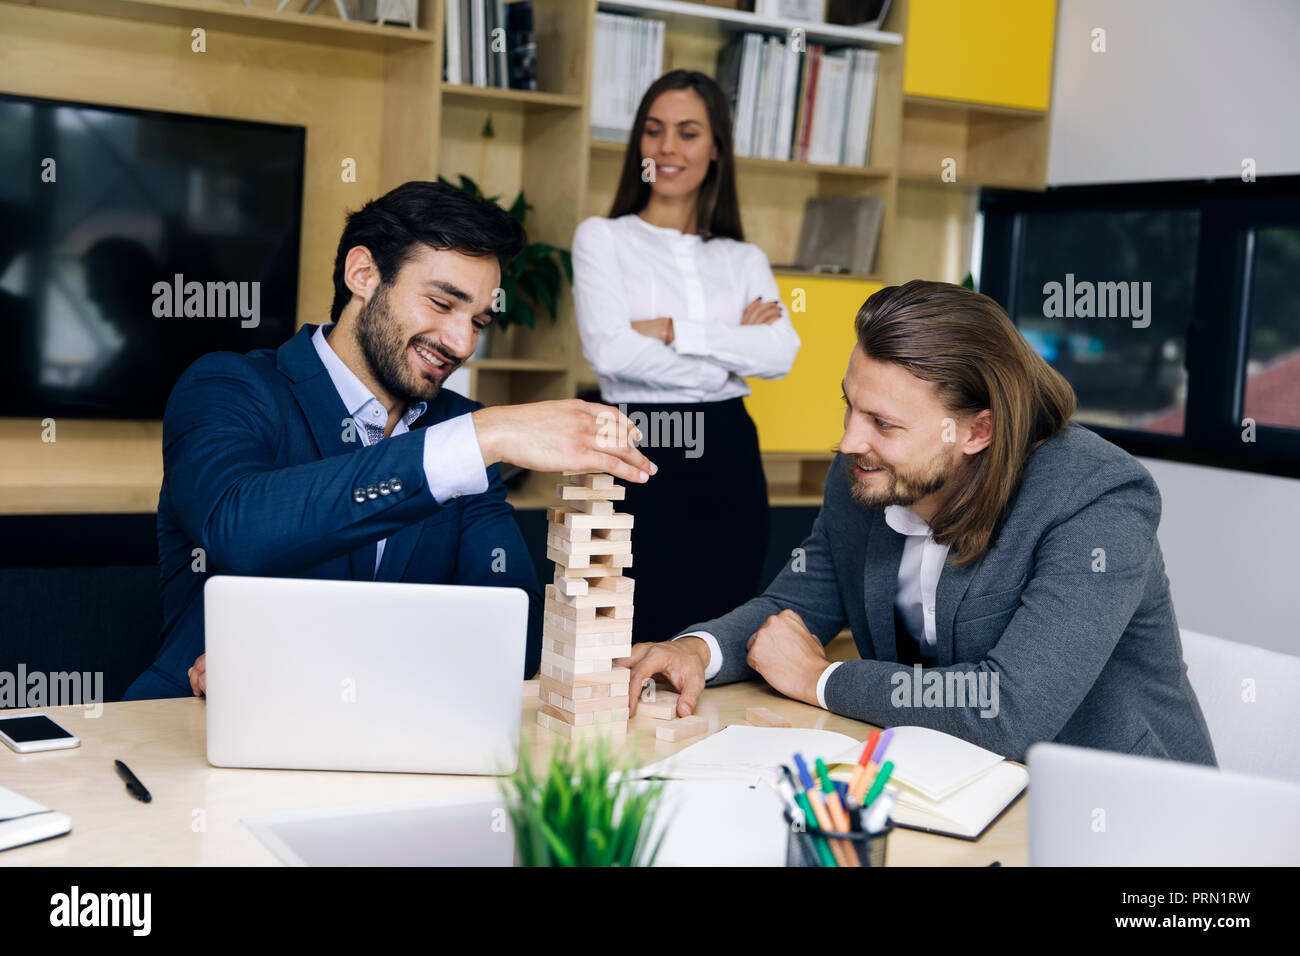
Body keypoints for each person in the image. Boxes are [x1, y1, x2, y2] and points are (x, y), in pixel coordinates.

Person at [621, 280, 1217, 766]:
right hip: (946, 780)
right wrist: (697, 650)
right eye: (849, 405)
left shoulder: (1096, 498)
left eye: (884, 423)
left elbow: (1008, 709)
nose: (850, 440)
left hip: (1121, 812)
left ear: (977, 431)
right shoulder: (866, 473)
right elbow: (795, 606)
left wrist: (823, 678)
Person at [124, 181, 655, 700]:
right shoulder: (229, 386)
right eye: (442, 304)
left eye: (479, 320)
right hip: (189, 725)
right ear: (363, 274)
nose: (461, 342)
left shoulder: (466, 431)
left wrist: (318, 668)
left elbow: (508, 631)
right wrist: (481, 435)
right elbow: (237, 528)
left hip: (387, 736)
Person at [571, 69, 800, 646]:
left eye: (688, 132)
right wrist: (728, 354)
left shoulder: (743, 256)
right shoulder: (603, 237)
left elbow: (780, 353)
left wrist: (676, 329)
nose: (667, 147)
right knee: (629, 627)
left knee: (719, 634)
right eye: (653, 131)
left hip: (728, 450)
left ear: (716, 147)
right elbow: (611, 350)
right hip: (640, 441)